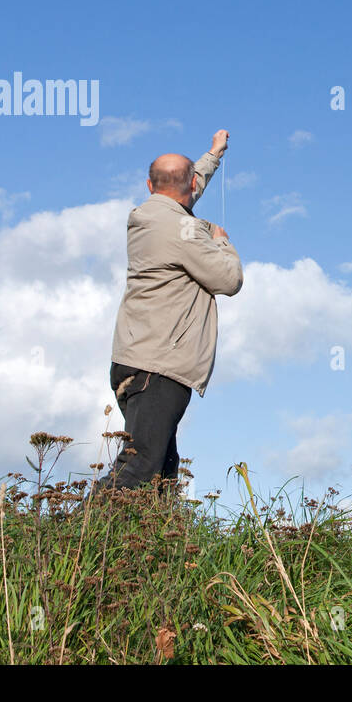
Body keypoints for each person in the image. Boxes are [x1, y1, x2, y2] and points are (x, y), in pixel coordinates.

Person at [92, 130, 243, 495]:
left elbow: (184, 190)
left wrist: (213, 154)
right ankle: (69, 539)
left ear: (149, 185)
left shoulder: (152, 216)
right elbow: (229, 279)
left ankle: (146, 547)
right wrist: (221, 240)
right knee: (142, 464)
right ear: (190, 183)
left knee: (161, 474)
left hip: (138, 360)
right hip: (159, 366)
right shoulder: (185, 230)